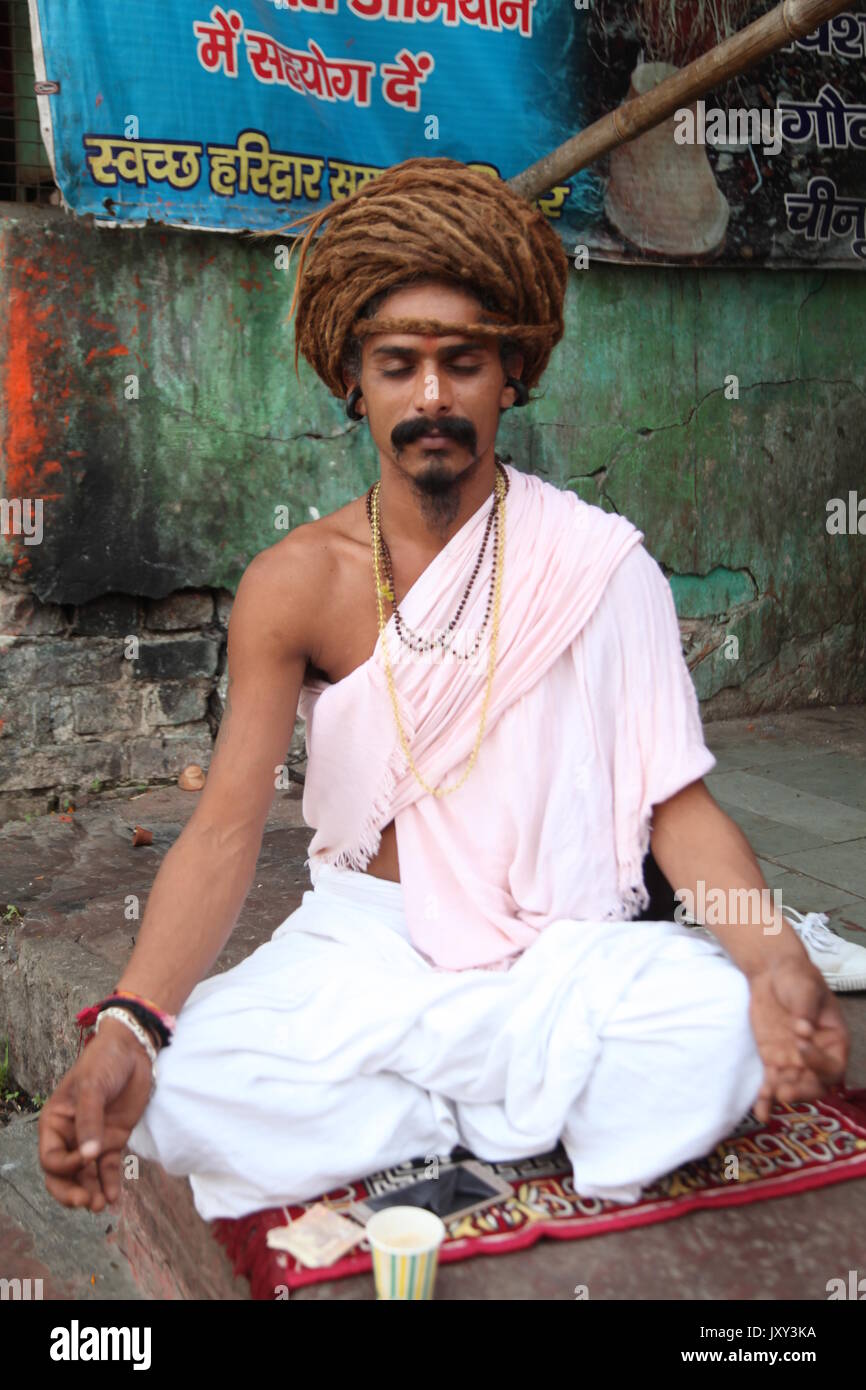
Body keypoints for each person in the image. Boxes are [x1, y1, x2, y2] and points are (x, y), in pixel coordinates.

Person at [39, 158, 849, 1223]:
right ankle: (508, 1105)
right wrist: (127, 1026)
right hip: (370, 944)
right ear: (352, 382)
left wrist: (771, 958)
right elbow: (227, 829)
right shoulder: (297, 584)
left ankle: (446, 1106)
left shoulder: (599, 563)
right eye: (396, 364)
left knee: (705, 1024)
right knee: (184, 1082)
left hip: (563, 945)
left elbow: (673, 804)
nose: (431, 395)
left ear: (510, 375)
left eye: (462, 363)